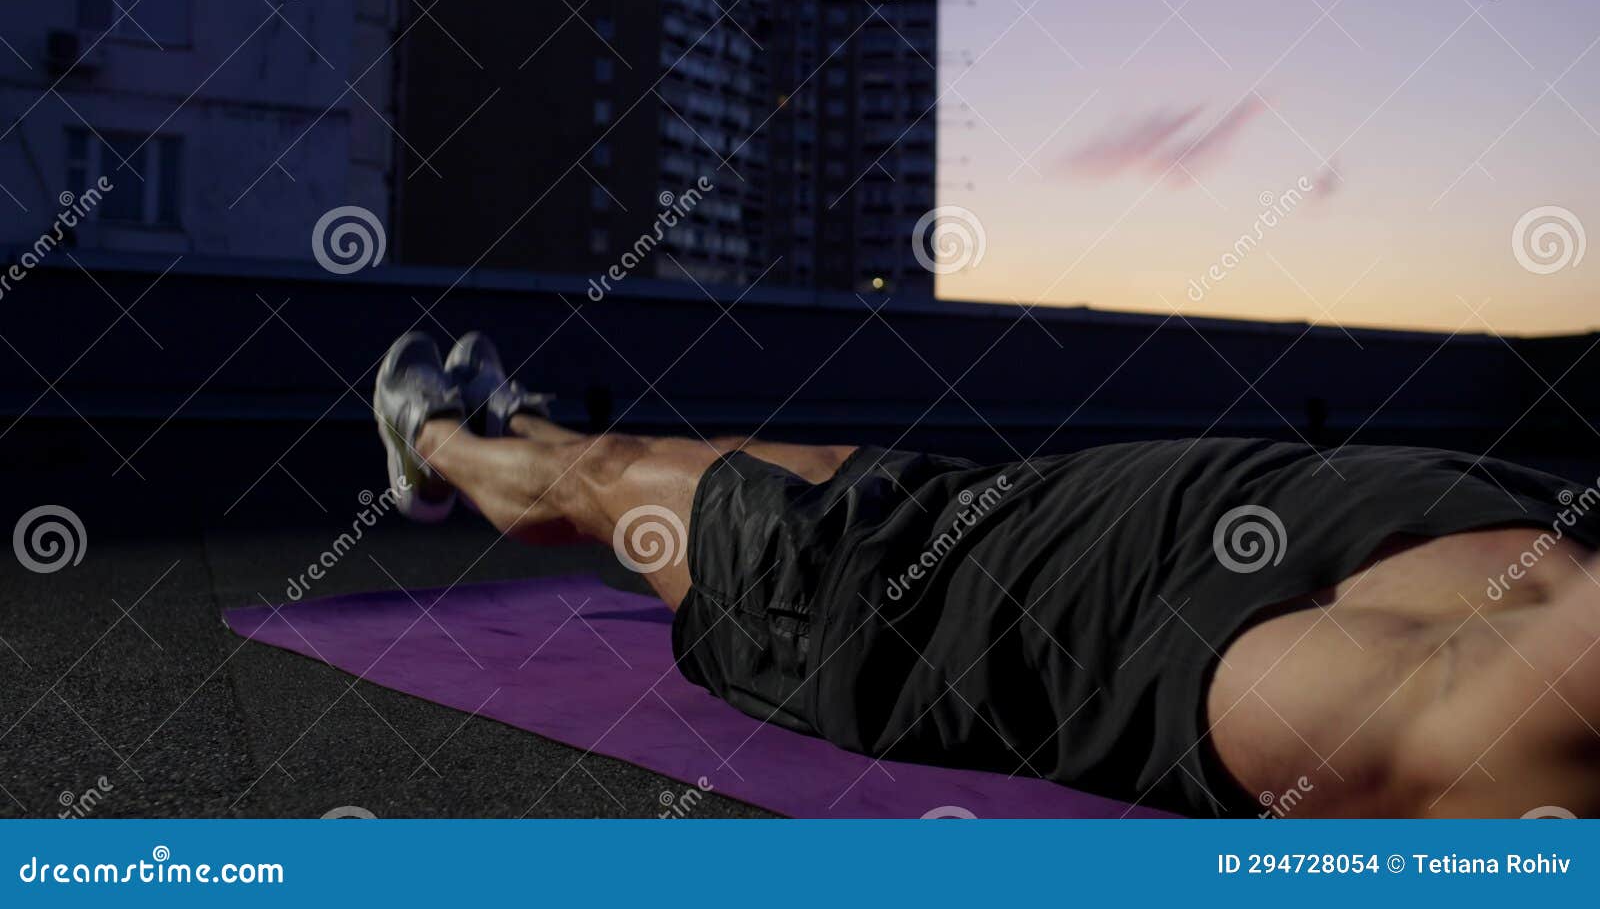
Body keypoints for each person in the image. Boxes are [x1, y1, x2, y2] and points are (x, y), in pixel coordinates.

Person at [374, 330, 1600, 818]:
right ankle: (512, 426)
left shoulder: (1482, 714)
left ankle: (431, 443)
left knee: (612, 477)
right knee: (698, 455)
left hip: (885, 603)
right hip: (1035, 500)